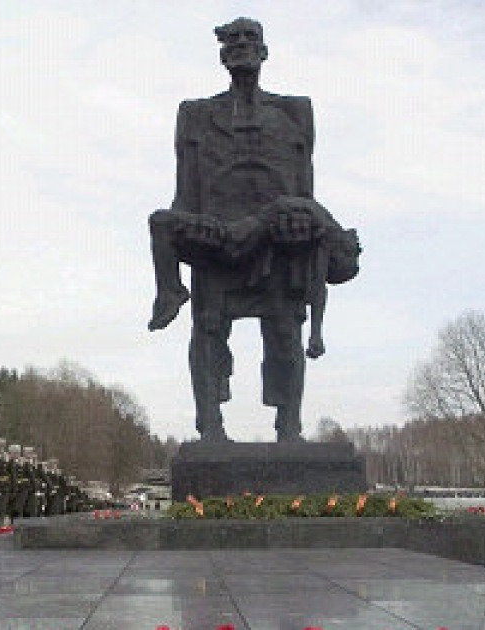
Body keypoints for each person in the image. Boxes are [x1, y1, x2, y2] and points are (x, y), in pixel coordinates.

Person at [147, 17, 360, 443]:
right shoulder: (196, 114)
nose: (242, 45)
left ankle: (289, 427)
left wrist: (308, 229)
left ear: (264, 51)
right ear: (222, 54)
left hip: (280, 242)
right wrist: (183, 238)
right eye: (233, 39)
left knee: (284, 332)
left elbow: (304, 182)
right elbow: (185, 184)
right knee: (207, 327)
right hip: (218, 236)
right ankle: (210, 424)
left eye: (251, 38)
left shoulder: (294, 111)